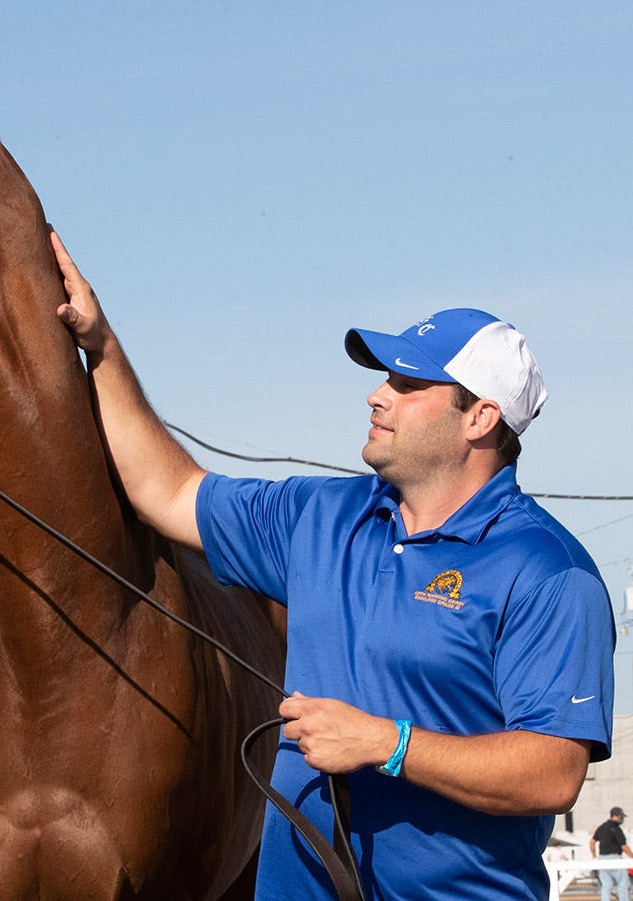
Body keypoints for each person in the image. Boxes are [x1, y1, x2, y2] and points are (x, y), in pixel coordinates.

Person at [49, 231, 615, 900]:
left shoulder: (550, 571)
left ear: (480, 418)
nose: (378, 396)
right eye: (385, 378)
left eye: (409, 383)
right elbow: (169, 492)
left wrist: (386, 743)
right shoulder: (321, 516)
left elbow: (552, 773)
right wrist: (103, 348)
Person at [591, 807, 633, 901]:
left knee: (606, 886)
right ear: (614, 816)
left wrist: (594, 857)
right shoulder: (616, 829)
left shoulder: (601, 827)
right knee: (623, 884)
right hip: (615, 859)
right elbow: (624, 847)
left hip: (602, 859)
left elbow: (592, 842)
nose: (622, 819)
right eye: (620, 817)